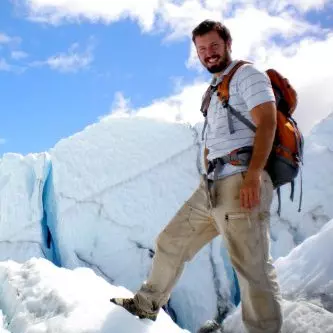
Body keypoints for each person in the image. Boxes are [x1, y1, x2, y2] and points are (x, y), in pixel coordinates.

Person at [111, 19, 283, 333]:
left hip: (242, 179)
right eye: (202, 49)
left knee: (252, 269)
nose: (208, 53)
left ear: (228, 44)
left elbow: (268, 122)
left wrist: (254, 175)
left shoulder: (248, 75)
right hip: (213, 186)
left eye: (214, 46)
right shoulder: (214, 88)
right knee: (170, 241)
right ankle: (146, 304)